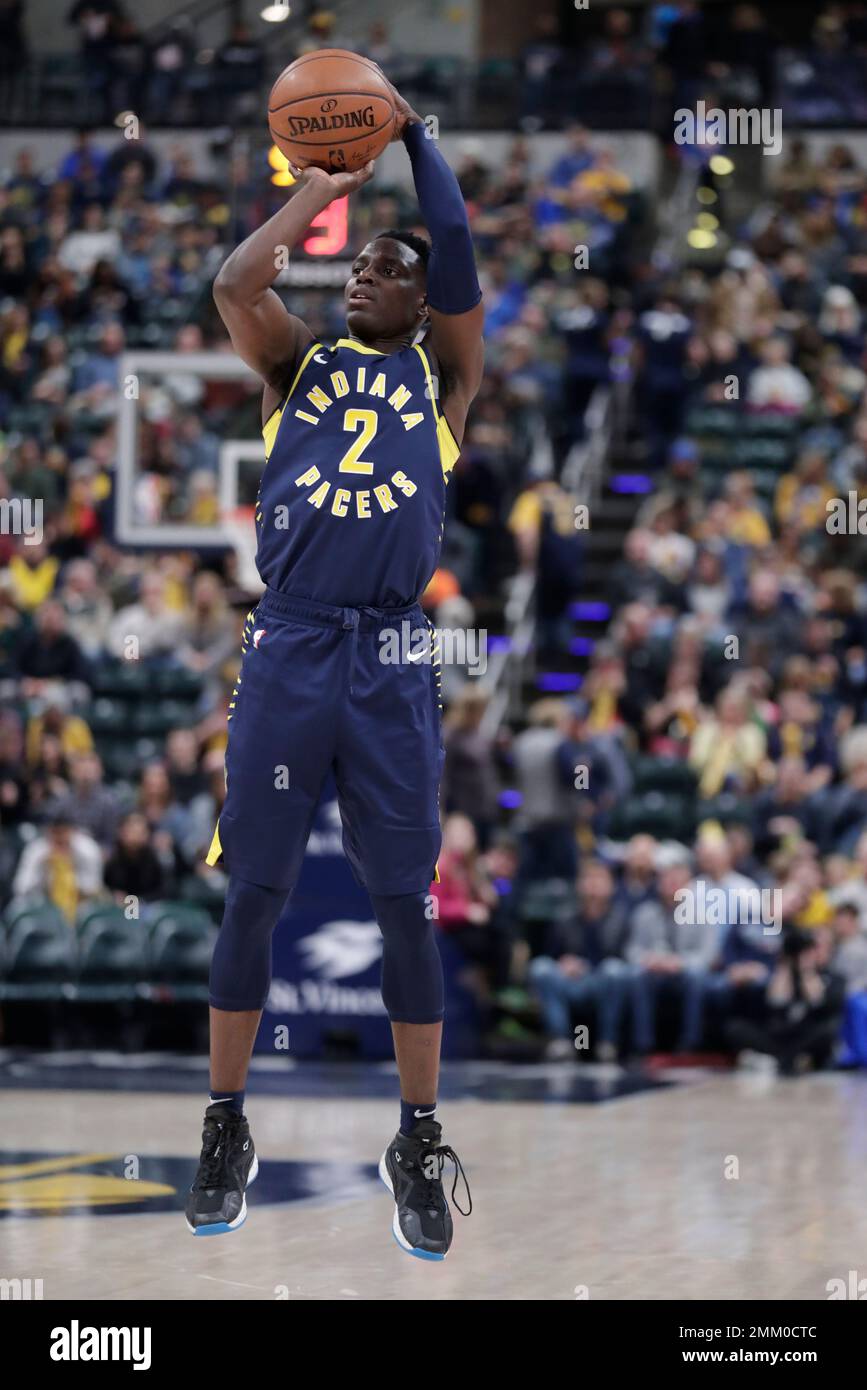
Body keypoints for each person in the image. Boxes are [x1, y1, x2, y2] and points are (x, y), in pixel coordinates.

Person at [187, 77, 483, 1258]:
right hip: (293, 639)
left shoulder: (444, 377)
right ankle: (224, 1125)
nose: (367, 273)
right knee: (252, 893)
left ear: (420, 305)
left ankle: (415, 1135)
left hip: (392, 649)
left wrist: (412, 135)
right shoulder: (294, 364)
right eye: (359, 263)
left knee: (402, 905)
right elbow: (231, 283)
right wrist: (317, 189)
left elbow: (454, 246)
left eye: (390, 268)